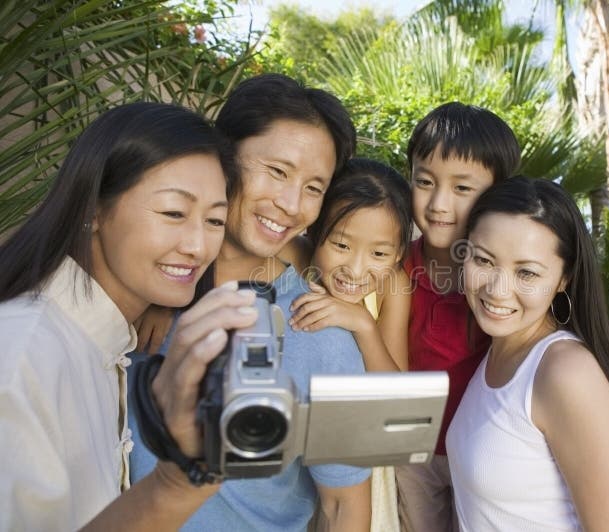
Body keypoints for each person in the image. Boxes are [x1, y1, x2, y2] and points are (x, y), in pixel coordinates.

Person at [0, 102, 261, 531]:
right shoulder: (22, 358)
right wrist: (180, 479)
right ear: (94, 210)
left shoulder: (108, 345)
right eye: (173, 213)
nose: (198, 246)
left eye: (215, 220)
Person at [128, 74, 372, 532]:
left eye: (314, 187)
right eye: (278, 171)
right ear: (223, 155)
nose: (290, 204)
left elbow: (344, 506)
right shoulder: (147, 287)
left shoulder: (322, 333)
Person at [446, 176, 609, 530]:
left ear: (563, 279)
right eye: (484, 261)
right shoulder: (492, 354)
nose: (497, 290)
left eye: (526, 273)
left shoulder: (565, 372)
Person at [395, 102, 521, 532]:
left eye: (463, 188)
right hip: (414, 452)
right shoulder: (391, 267)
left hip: (484, 451)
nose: (438, 203)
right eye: (424, 181)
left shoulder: (506, 286)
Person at [286, 157, 413, 532]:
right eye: (341, 244)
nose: (355, 270)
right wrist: (163, 305)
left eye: (378, 253)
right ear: (314, 232)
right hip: (298, 457)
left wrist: (363, 325)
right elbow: (226, 248)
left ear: (399, 254)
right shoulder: (296, 256)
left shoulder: (394, 285)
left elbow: (397, 395)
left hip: (360, 458)